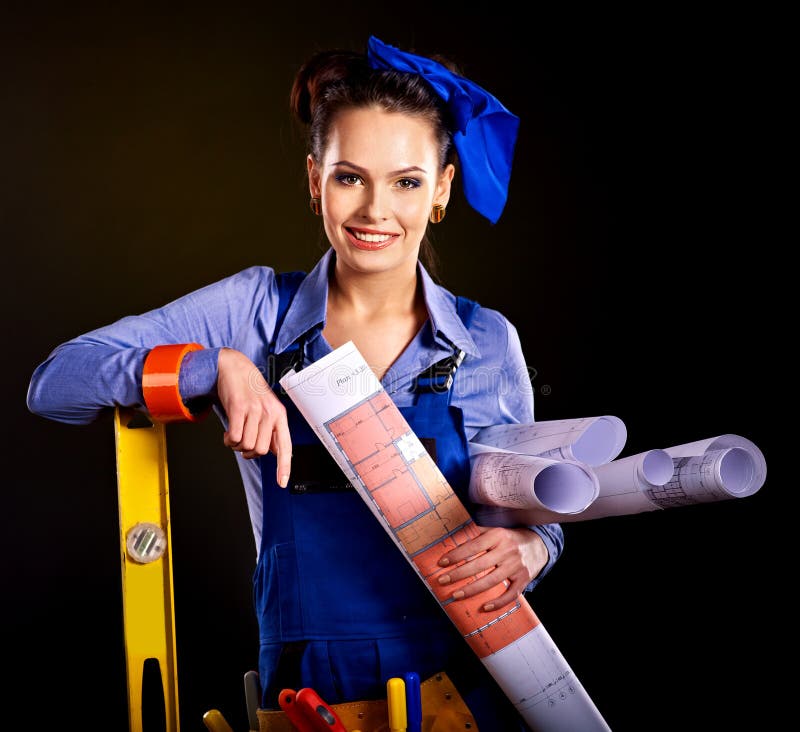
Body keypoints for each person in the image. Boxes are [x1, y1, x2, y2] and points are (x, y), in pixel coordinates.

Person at [27, 36, 564, 731]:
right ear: (315, 181)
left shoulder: (486, 341)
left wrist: (530, 549)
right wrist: (216, 367)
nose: (375, 209)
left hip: (463, 704)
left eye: (405, 181)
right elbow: (55, 382)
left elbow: (531, 514)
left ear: (442, 190)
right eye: (350, 177)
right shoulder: (255, 313)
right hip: (307, 709)